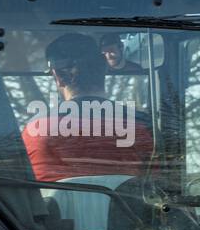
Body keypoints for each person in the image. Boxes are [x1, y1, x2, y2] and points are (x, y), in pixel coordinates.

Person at [21, 32, 154, 182]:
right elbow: (162, 190)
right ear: (104, 69)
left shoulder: (34, 131)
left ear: (58, 77)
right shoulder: (143, 128)